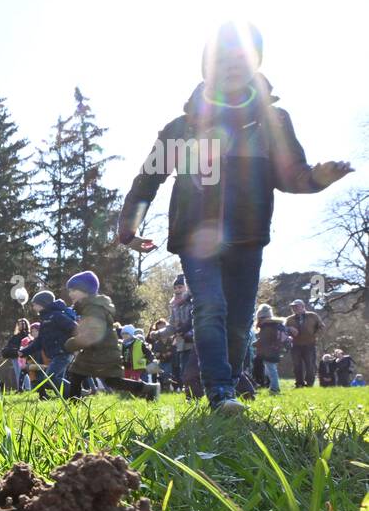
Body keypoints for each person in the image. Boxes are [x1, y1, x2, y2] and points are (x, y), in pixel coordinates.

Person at [118, 23, 353, 413]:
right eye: (222, 59)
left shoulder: (272, 122)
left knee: (241, 321)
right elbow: (147, 180)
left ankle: (230, 377)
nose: (232, 66)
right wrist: (129, 228)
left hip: (248, 233)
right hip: (195, 235)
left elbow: (291, 173)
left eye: (243, 59)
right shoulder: (180, 130)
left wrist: (316, 179)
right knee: (210, 306)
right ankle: (220, 392)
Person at [61, 272, 159, 402]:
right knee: (77, 374)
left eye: (74, 290)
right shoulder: (88, 307)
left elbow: (93, 334)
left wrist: (72, 343)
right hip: (95, 351)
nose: (70, 294)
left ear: (85, 290)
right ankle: (73, 405)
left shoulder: (94, 308)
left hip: (103, 352)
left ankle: (149, 389)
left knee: (113, 381)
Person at [21, 290, 76, 398]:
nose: (33, 307)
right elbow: (39, 341)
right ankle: (72, 400)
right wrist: (23, 352)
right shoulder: (45, 319)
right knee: (55, 380)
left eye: (35, 304)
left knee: (50, 378)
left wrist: (73, 344)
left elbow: (74, 328)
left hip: (63, 352)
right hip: (57, 354)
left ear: (43, 304)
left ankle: (77, 394)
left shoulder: (56, 316)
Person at [285, 299, 324, 388]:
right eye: (293, 307)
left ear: (303, 306)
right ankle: (299, 383)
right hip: (295, 345)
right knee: (297, 365)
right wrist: (289, 328)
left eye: (296, 306)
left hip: (310, 344)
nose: (294, 308)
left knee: (310, 365)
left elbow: (321, 327)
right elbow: (283, 329)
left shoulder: (313, 316)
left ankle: (309, 384)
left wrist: (315, 336)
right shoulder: (289, 319)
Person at [253, 304, 289, 394]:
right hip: (274, 350)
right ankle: (272, 387)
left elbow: (265, 339)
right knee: (269, 370)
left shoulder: (267, 326)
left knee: (272, 370)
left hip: (269, 351)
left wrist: (256, 343)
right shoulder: (275, 325)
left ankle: (275, 388)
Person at [0, 318, 30, 393]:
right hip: (14, 357)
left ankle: (28, 388)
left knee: (23, 372)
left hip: (23, 357)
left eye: (23, 323)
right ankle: (20, 388)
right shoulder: (15, 336)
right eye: (20, 324)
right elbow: (9, 345)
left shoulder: (28, 335)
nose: (21, 325)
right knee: (17, 373)